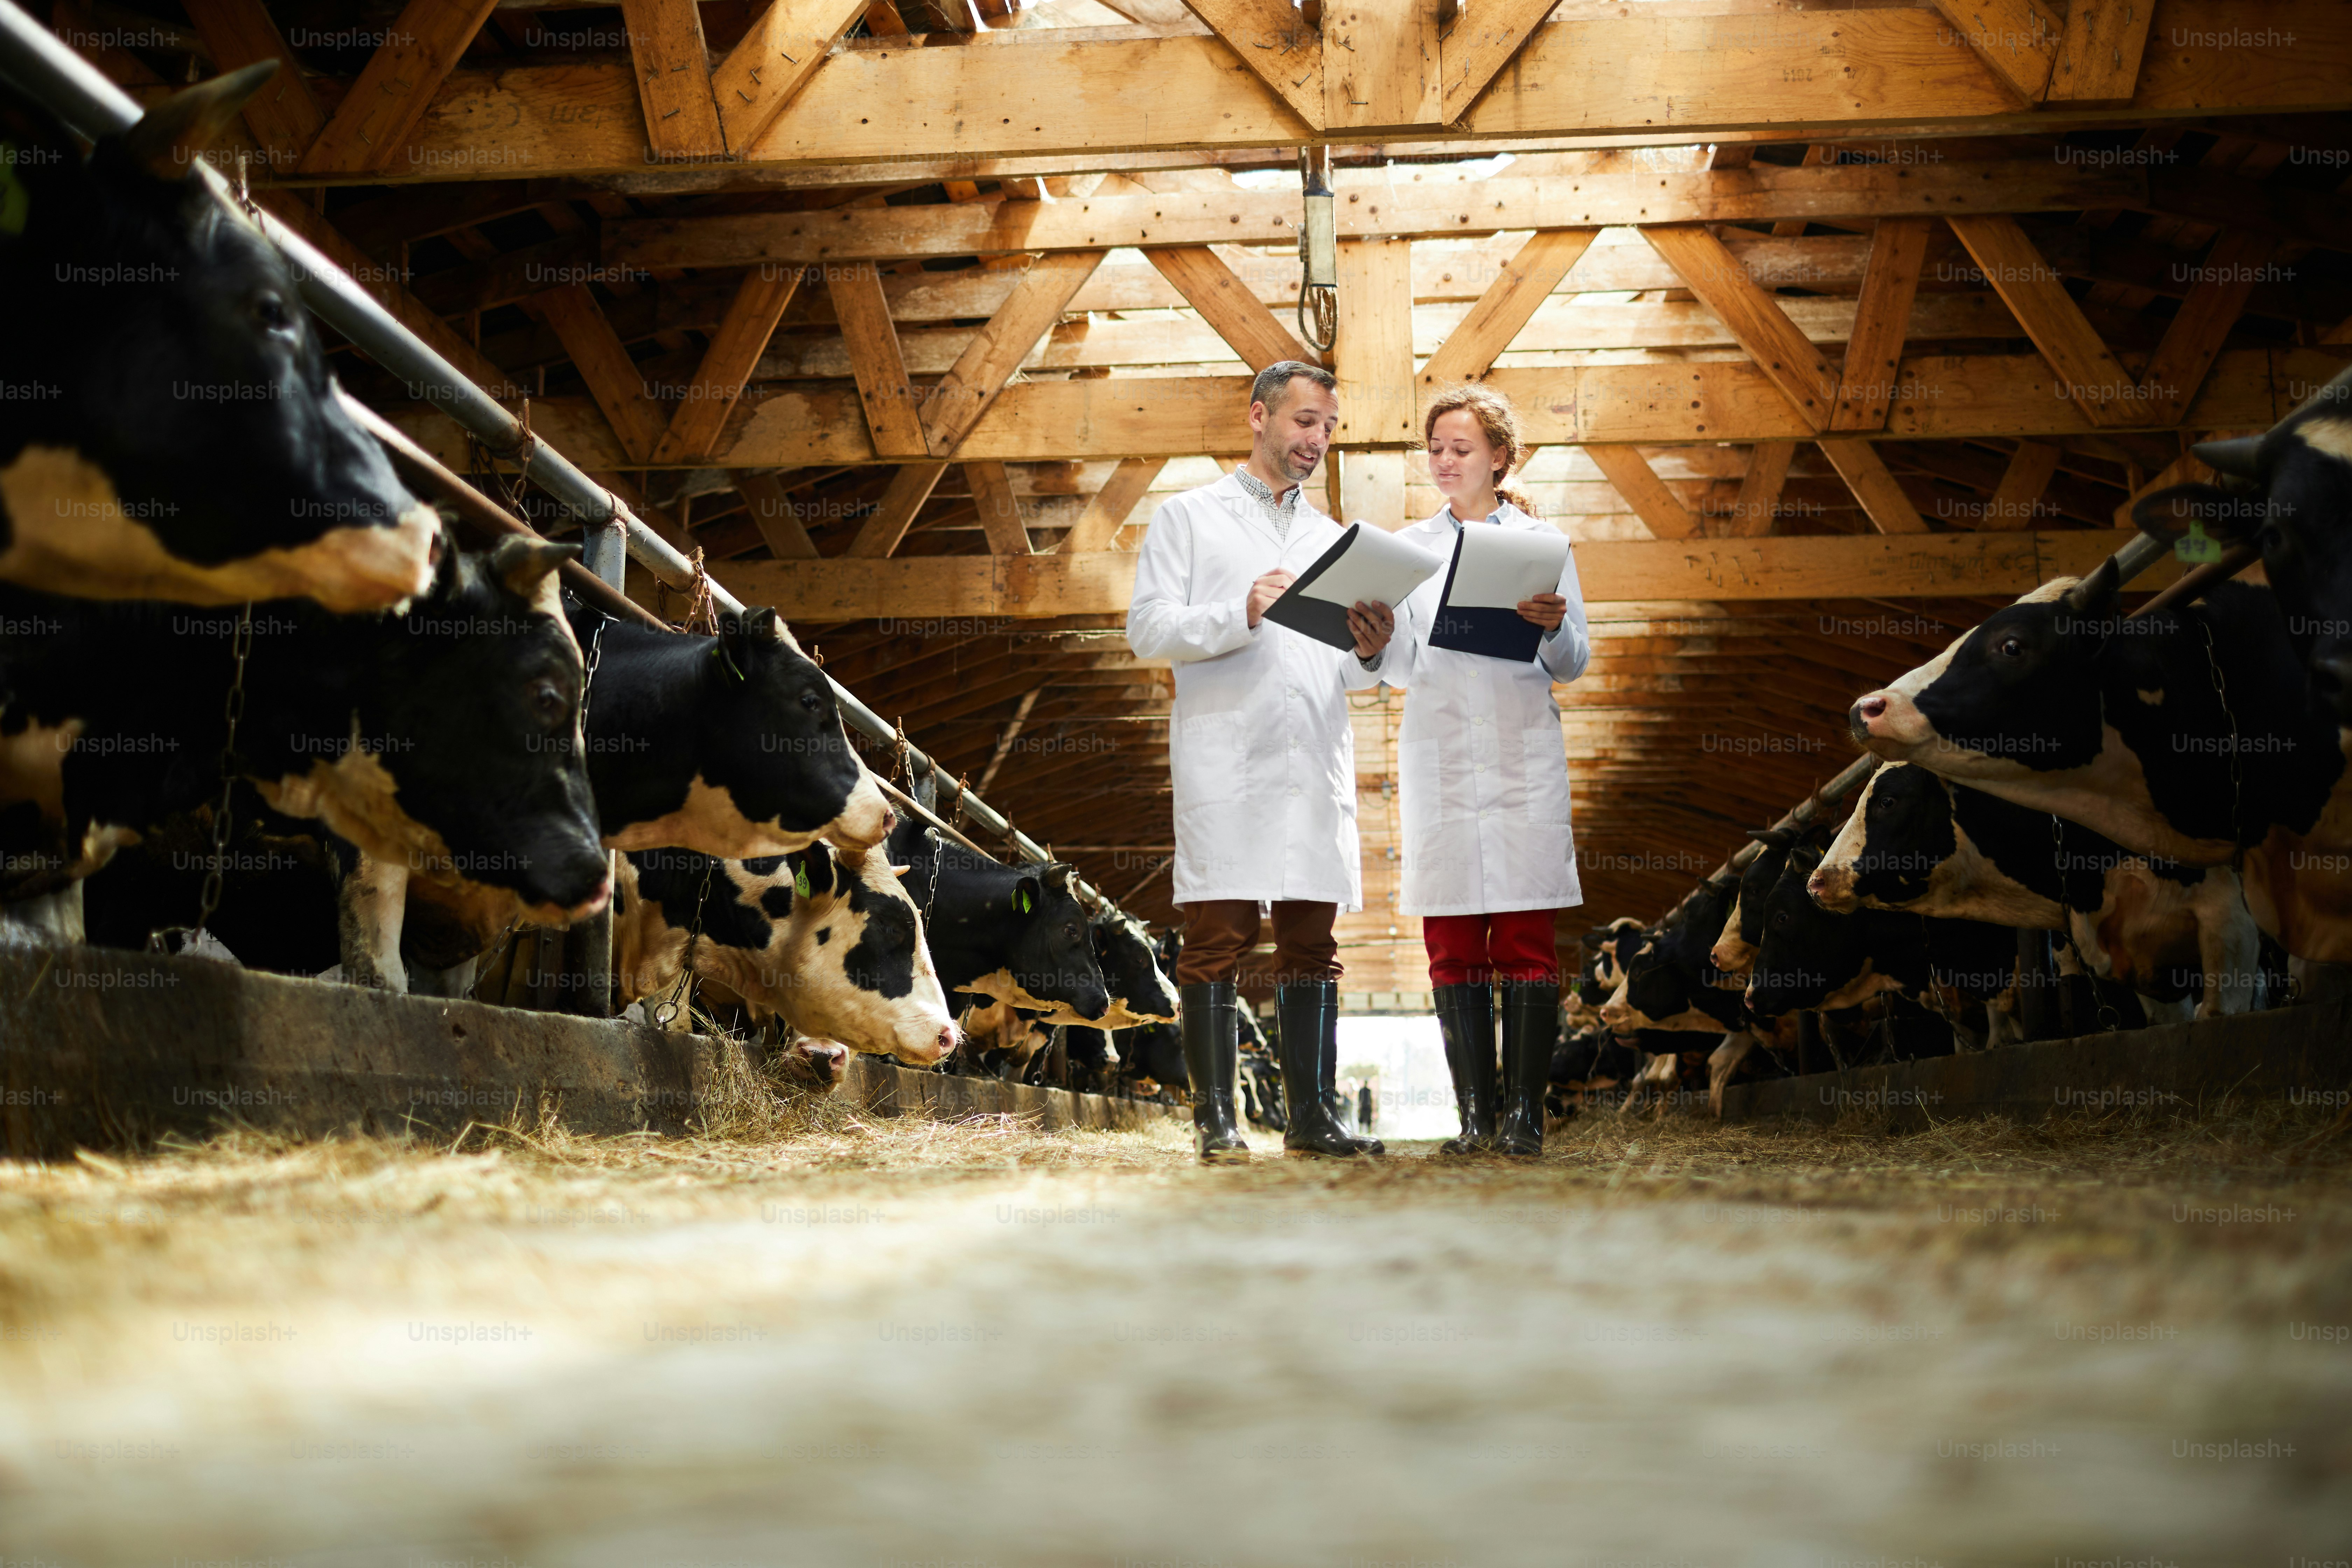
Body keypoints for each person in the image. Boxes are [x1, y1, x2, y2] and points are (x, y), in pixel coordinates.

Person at [1125, 361, 1396, 1164]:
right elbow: (1149, 630)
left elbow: (1339, 669)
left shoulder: (1334, 538)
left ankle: (1313, 1117)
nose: (1318, 440)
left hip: (1311, 756)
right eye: (1305, 421)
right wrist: (1239, 611)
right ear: (1258, 416)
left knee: (1313, 943)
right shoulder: (1188, 518)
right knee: (1219, 935)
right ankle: (1217, 1120)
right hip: (1227, 752)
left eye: (1328, 427)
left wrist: (1370, 653)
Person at [1374, 385, 1589, 1157]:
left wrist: (1554, 628)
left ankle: (1525, 1119)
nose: (1444, 461)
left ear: (1500, 458)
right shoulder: (1407, 547)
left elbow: (1573, 664)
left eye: (1460, 448)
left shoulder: (1545, 544)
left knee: (1528, 940)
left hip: (1520, 756)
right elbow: (1394, 668)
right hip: (1441, 763)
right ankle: (1475, 1119)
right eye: (1435, 449)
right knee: (1453, 945)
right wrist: (1371, 640)